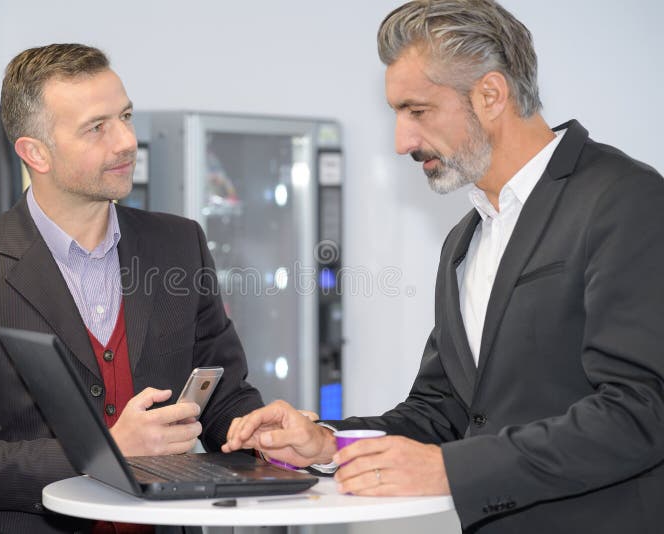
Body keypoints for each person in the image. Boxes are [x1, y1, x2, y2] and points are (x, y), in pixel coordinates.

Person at [223, 1, 664, 532]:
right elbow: (443, 411)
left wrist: (451, 470)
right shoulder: (463, 240)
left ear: (491, 94)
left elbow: (642, 412)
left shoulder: (625, 199)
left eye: (417, 110)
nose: (401, 142)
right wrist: (327, 442)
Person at [0, 43, 263, 534]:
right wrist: (104, 451)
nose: (125, 142)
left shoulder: (180, 243)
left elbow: (223, 396)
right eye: (97, 127)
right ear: (35, 152)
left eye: (126, 116)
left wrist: (265, 434)